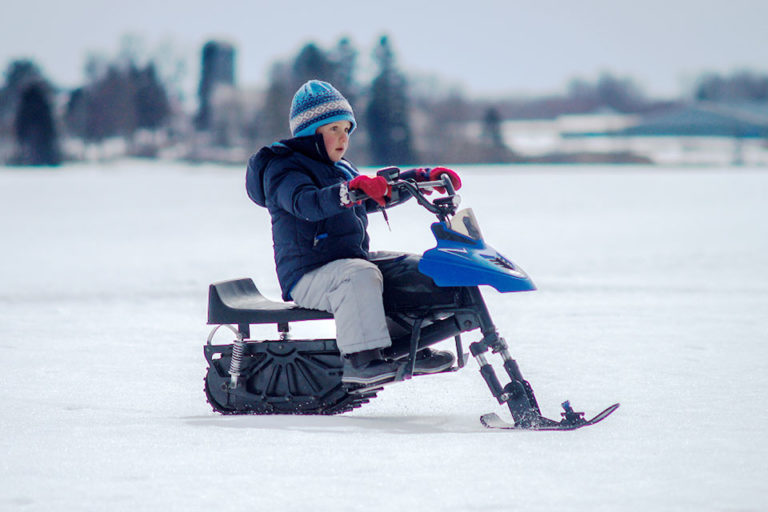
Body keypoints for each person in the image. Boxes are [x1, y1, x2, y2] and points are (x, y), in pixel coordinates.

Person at [245, 80, 462, 386]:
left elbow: (376, 194)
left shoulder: (341, 168)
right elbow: (306, 203)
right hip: (307, 275)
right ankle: (361, 360)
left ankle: (410, 345)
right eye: (334, 128)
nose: (343, 138)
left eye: (347, 130)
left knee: (413, 269)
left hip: (344, 262)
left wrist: (420, 179)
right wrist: (348, 192)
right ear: (311, 131)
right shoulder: (284, 168)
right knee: (359, 275)